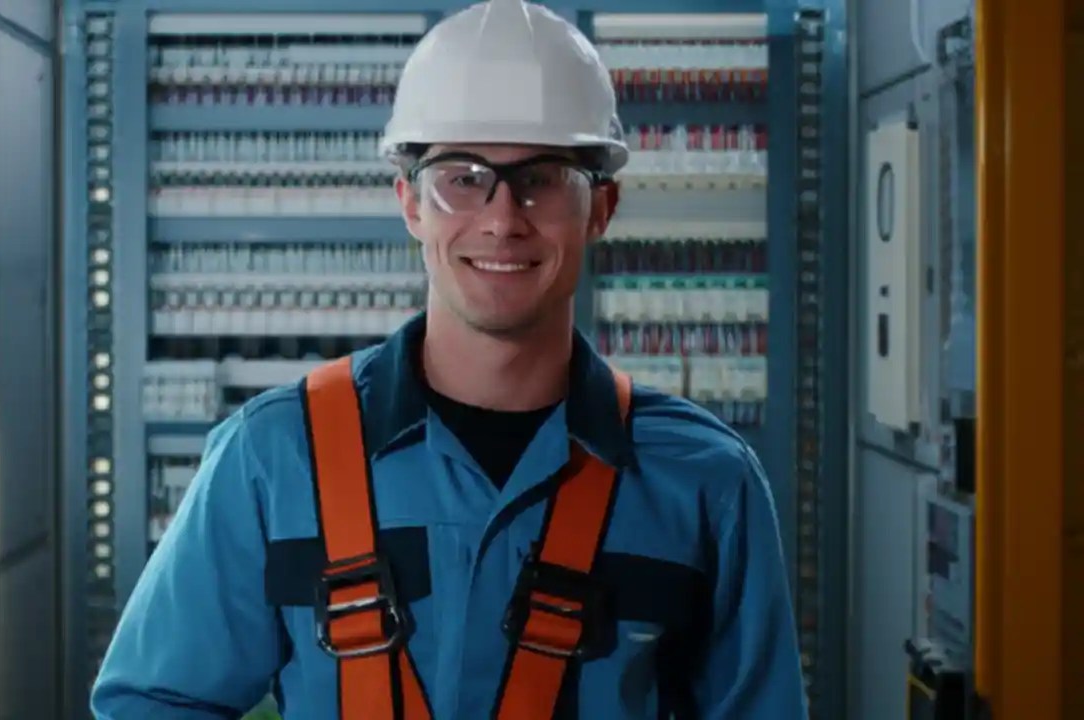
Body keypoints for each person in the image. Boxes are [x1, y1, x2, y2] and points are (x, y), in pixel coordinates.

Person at [91, 0, 808, 717]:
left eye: (544, 176)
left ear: (601, 208)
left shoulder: (706, 482)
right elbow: (152, 704)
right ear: (410, 204)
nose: (502, 219)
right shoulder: (273, 460)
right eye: (462, 177)